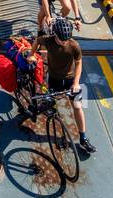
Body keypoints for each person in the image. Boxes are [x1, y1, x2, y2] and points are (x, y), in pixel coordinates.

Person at [39, 17, 96, 154]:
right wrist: (31, 54)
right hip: (54, 79)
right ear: (55, 35)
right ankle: (50, 109)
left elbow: (79, 64)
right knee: (48, 101)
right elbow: (36, 41)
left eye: (66, 39)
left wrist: (76, 83)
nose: (64, 42)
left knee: (78, 107)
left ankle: (83, 138)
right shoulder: (47, 40)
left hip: (70, 81)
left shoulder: (74, 45)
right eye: (61, 39)